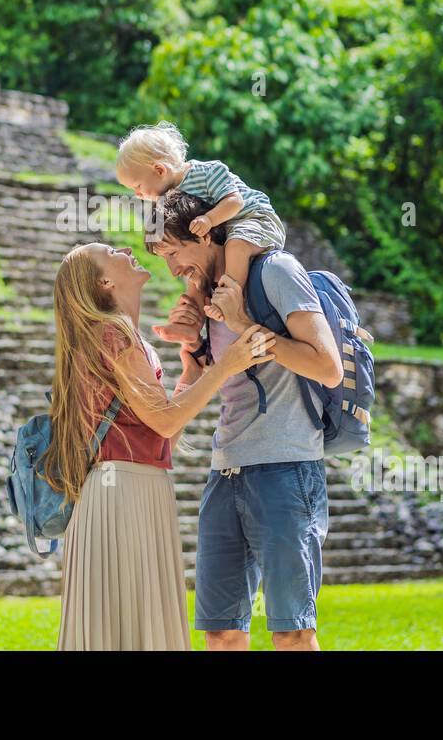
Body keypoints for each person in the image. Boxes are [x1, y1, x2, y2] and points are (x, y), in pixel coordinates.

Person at [49, 241, 275, 650]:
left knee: (119, 628)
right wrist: (227, 365)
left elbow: (162, 429)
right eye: (109, 251)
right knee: (135, 627)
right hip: (126, 491)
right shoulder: (114, 334)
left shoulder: (116, 336)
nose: (122, 248)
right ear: (104, 281)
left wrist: (190, 373)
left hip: (126, 489)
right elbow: (167, 420)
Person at [146, 190, 343, 651]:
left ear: (207, 233)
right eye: (163, 258)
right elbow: (214, 377)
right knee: (223, 632)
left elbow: (327, 367)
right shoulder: (207, 296)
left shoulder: (275, 271)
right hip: (226, 470)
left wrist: (241, 321)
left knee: (292, 632)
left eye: (175, 252)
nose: (173, 269)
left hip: (286, 467)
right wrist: (191, 351)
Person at [115, 121, 286, 334]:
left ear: (159, 170)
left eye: (138, 187)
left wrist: (209, 219)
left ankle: (231, 301)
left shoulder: (207, 172)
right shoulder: (169, 197)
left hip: (254, 217)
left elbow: (235, 202)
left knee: (236, 246)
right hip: (226, 227)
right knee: (194, 273)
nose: (138, 195)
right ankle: (189, 325)